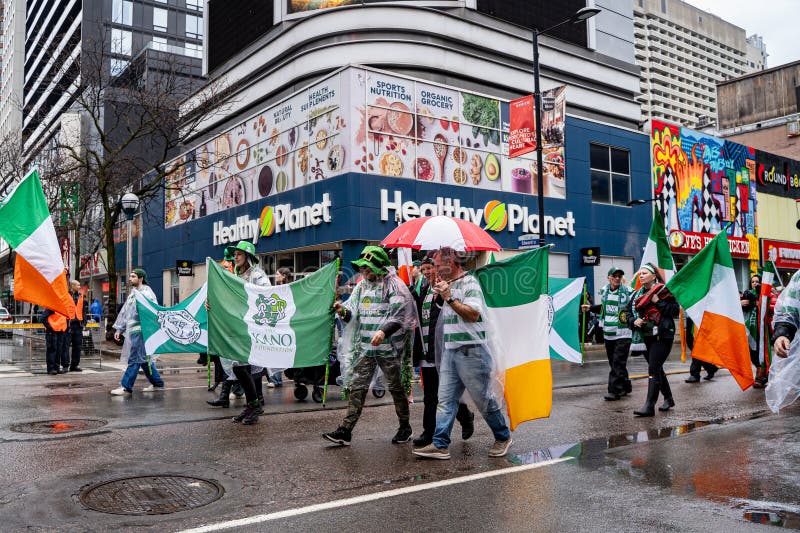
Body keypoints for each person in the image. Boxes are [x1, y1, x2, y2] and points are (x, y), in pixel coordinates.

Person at [413, 247, 512, 460]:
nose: (435, 270)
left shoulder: (470, 283)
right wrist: (441, 294)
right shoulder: (447, 285)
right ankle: (440, 444)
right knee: (445, 399)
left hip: (472, 351)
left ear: (452, 264)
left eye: (438, 265)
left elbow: (474, 314)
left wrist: (449, 298)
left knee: (483, 400)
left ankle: (503, 436)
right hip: (451, 351)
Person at [323, 246, 418, 446]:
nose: (364, 272)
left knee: (396, 388)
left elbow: (401, 315)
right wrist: (341, 310)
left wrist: (383, 332)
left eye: (368, 268)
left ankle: (405, 427)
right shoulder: (362, 286)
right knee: (357, 387)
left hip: (389, 349)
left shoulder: (394, 284)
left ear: (380, 266)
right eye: (362, 268)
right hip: (366, 348)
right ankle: (345, 431)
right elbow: (352, 314)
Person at [412, 256, 474, 447]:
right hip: (425, 349)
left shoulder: (447, 287)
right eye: (423, 270)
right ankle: (429, 433)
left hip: (442, 350)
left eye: (430, 268)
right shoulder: (421, 288)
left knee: (447, 393)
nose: (427, 272)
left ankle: (465, 417)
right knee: (431, 395)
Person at [222, 241, 271, 425]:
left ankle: (254, 405)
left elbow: (266, 294)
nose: (235, 257)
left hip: (254, 327)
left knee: (241, 366)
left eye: (239, 254)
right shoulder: (236, 275)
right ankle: (253, 404)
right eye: (234, 254)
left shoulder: (257, 274)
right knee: (243, 367)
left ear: (248, 256)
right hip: (239, 326)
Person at [626, 263, 679, 417]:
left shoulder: (663, 291)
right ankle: (668, 399)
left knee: (653, 368)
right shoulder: (636, 296)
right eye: (640, 274)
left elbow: (674, 311)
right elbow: (627, 313)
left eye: (644, 273)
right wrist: (633, 321)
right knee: (656, 369)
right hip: (645, 337)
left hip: (662, 336)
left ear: (654, 276)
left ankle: (649, 406)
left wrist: (657, 301)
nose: (641, 276)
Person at [581, 267, 634, 401]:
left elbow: (636, 304)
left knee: (617, 362)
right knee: (615, 363)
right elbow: (604, 307)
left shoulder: (628, 292)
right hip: (608, 333)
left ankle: (614, 391)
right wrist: (590, 308)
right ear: (609, 277)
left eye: (619, 276)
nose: (617, 278)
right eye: (614, 276)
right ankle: (626, 385)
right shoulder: (604, 291)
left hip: (623, 333)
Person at [110, 269, 165, 395]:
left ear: (140, 278)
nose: (130, 278)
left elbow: (151, 311)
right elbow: (125, 313)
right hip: (134, 331)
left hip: (142, 332)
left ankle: (126, 386)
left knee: (134, 358)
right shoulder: (132, 294)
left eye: (133, 276)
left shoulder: (146, 293)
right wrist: (119, 329)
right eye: (130, 276)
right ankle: (157, 383)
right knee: (145, 360)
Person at [266, 267, 292, 388]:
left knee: (275, 352)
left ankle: (276, 380)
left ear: (283, 276)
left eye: (277, 274)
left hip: (282, 325)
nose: (275, 276)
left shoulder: (287, 289)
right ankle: (275, 379)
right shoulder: (276, 289)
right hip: (276, 325)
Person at [742, 274, 767, 388]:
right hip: (749, 329)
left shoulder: (763, 295)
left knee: (759, 352)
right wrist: (741, 303)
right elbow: (744, 304)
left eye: (757, 281)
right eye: (753, 282)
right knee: (751, 352)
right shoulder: (747, 294)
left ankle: (760, 375)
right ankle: (762, 372)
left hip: (761, 329)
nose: (755, 283)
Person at [684, 315, 717, 383]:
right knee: (690, 342)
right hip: (689, 316)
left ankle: (695, 374)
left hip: (698, 315)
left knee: (697, 345)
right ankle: (710, 368)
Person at [66, 280, 88, 372]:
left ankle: (74, 365)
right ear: (72, 286)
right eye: (78, 285)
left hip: (78, 324)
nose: (80, 287)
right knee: (66, 346)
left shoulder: (81, 296)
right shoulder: (66, 295)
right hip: (69, 324)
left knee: (77, 346)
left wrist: (84, 320)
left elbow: (83, 309)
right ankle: (65, 365)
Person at [41, 307, 69, 375]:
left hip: (60, 331)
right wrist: (50, 328)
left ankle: (56, 368)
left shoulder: (61, 307)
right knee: (52, 350)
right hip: (53, 332)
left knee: (58, 350)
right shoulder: (51, 307)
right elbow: (43, 318)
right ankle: (51, 369)